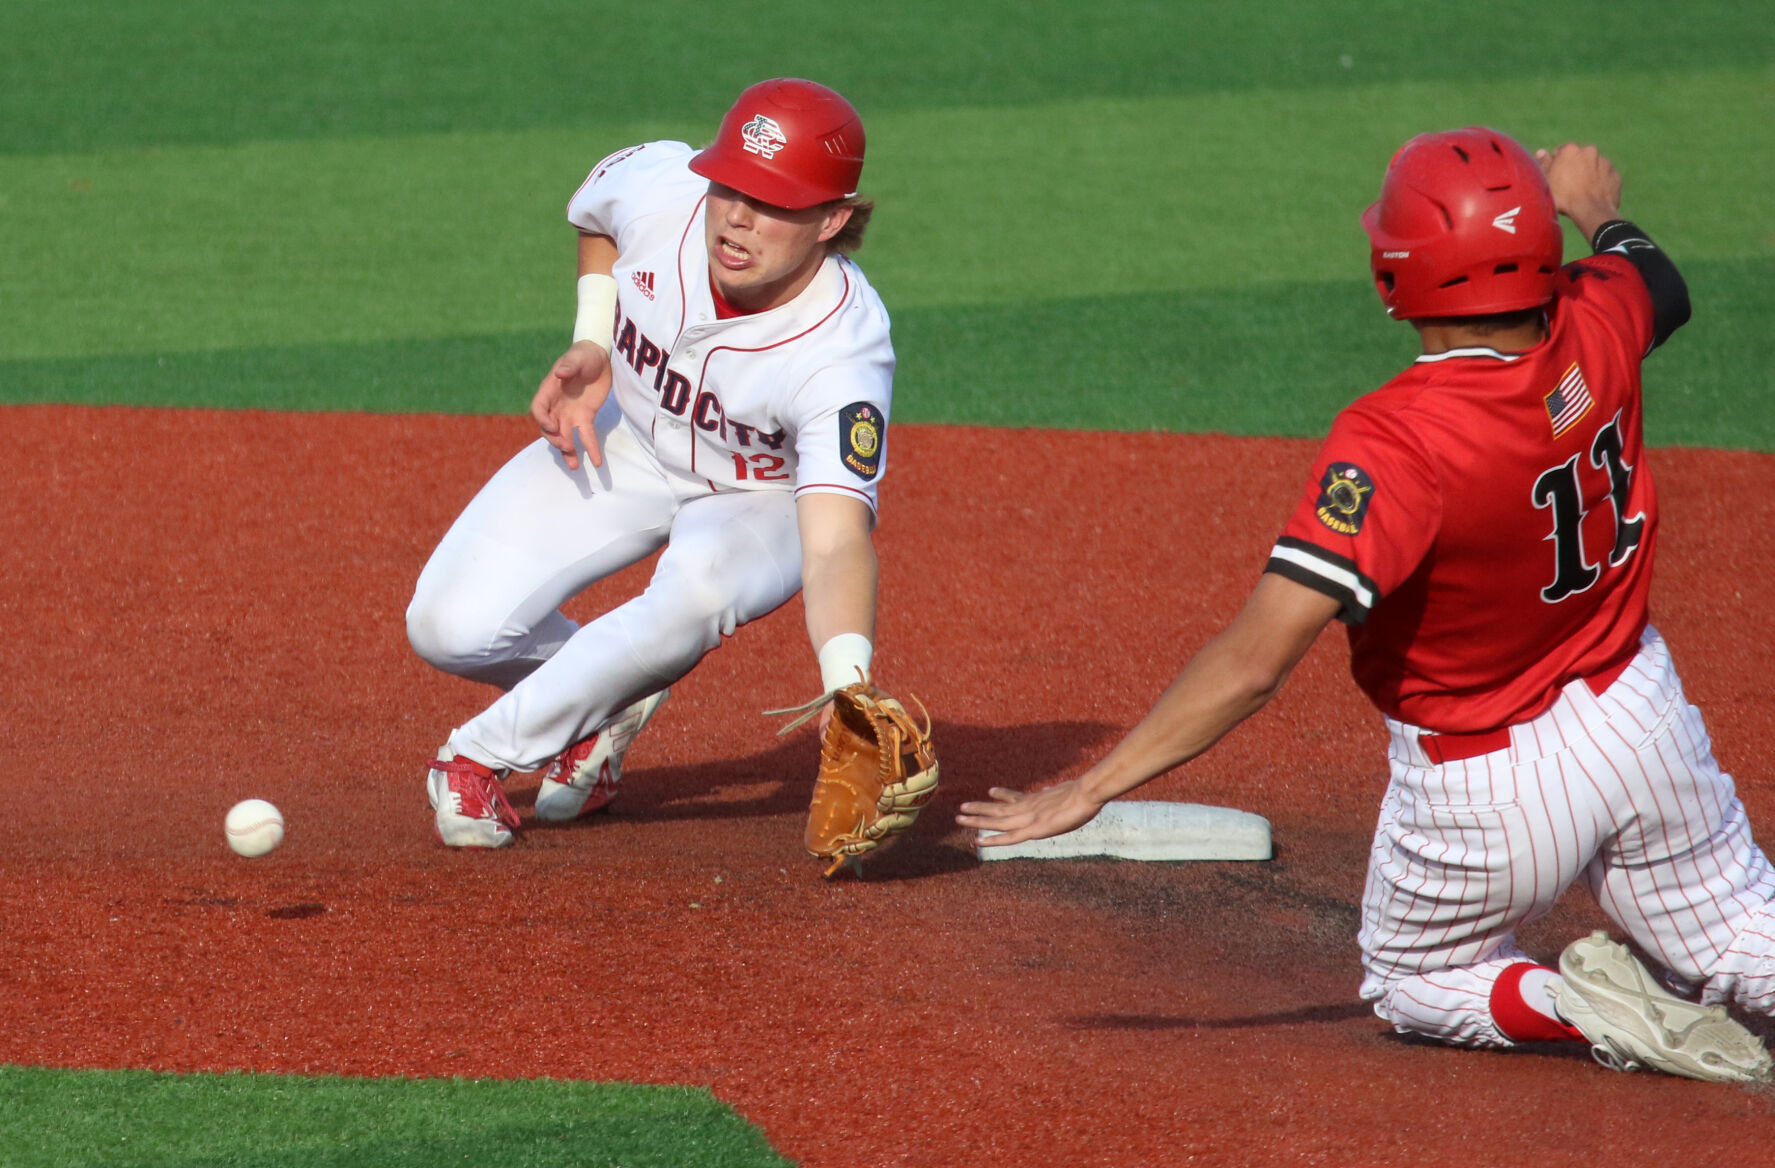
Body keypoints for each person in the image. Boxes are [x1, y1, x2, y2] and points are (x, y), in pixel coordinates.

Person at [959, 129, 1775, 1082]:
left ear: (1396, 274)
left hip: (1485, 787)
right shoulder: (1595, 321)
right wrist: (1591, 205)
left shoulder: (1395, 441)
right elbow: (1657, 282)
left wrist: (1088, 788)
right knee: (1742, 934)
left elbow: (1253, 661)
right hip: (1641, 724)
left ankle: (1579, 1002)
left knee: (1414, 978)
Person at [407, 78, 893, 851]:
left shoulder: (842, 351)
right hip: (629, 435)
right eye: (730, 186)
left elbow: (835, 541)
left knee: (694, 595)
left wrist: (848, 688)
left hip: (755, 497)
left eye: (771, 202)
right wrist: (593, 337)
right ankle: (613, 698)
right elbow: (597, 216)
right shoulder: (666, 194)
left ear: (831, 220)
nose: (736, 217)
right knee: (448, 628)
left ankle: (473, 759)